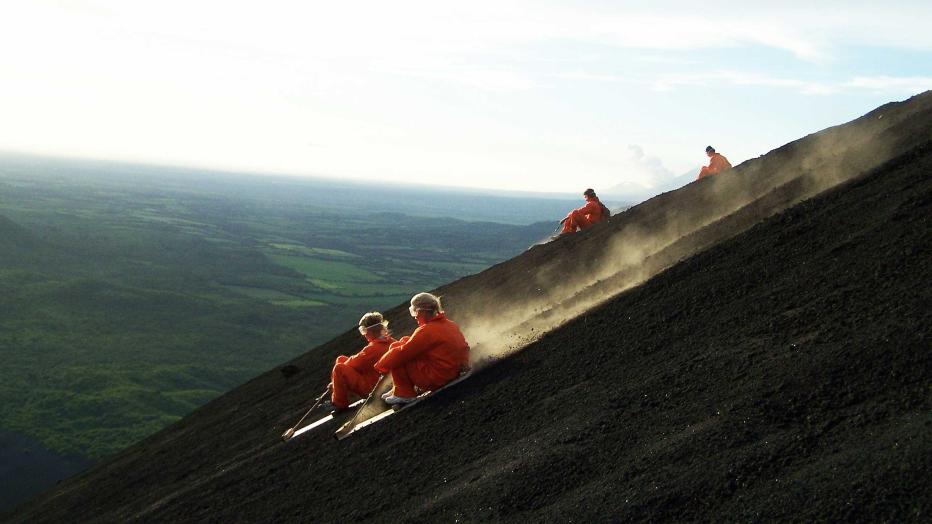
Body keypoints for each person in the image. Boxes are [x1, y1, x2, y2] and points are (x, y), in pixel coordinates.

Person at [375, 292, 470, 405]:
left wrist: (381, 366)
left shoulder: (426, 331)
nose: (414, 316)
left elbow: (402, 354)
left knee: (397, 356)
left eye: (414, 311)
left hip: (438, 377)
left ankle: (404, 394)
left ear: (422, 311)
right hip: (453, 370)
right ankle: (399, 387)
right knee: (403, 341)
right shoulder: (450, 324)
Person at [323, 312, 395, 413]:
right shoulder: (392, 342)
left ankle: (339, 404)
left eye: (364, 331)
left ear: (371, 331)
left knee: (339, 368)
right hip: (387, 384)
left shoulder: (372, 349)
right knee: (341, 359)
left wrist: (335, 383)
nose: (364, 334)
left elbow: (351, 364)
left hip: (375, 389)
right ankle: (339, 395)